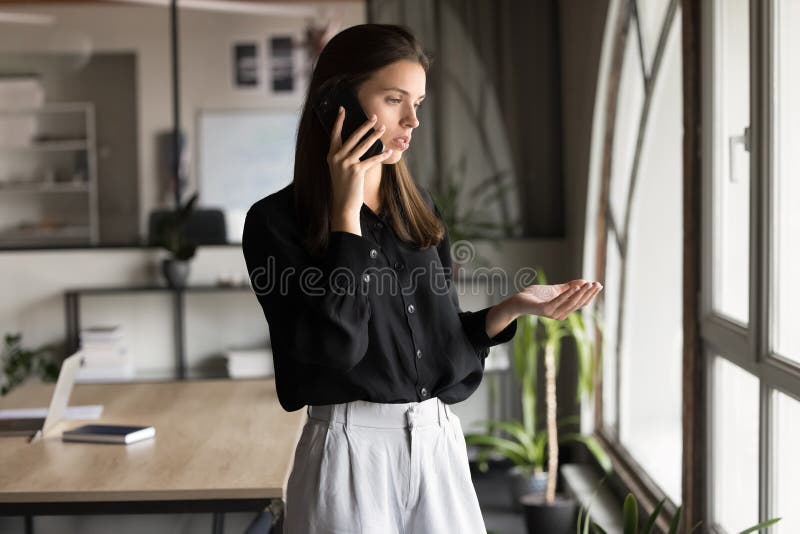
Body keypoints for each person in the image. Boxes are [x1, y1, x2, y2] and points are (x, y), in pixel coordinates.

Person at [241, 23, 602, 534]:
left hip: (437, 445)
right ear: (336, 101)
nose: (412, 119)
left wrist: (510, 308)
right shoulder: (274, 223)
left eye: (419, 102)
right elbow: (337, 348)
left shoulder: (419, 209)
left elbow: (438, 349)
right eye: (394, 100)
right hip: (348, 455)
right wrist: (347, 221)